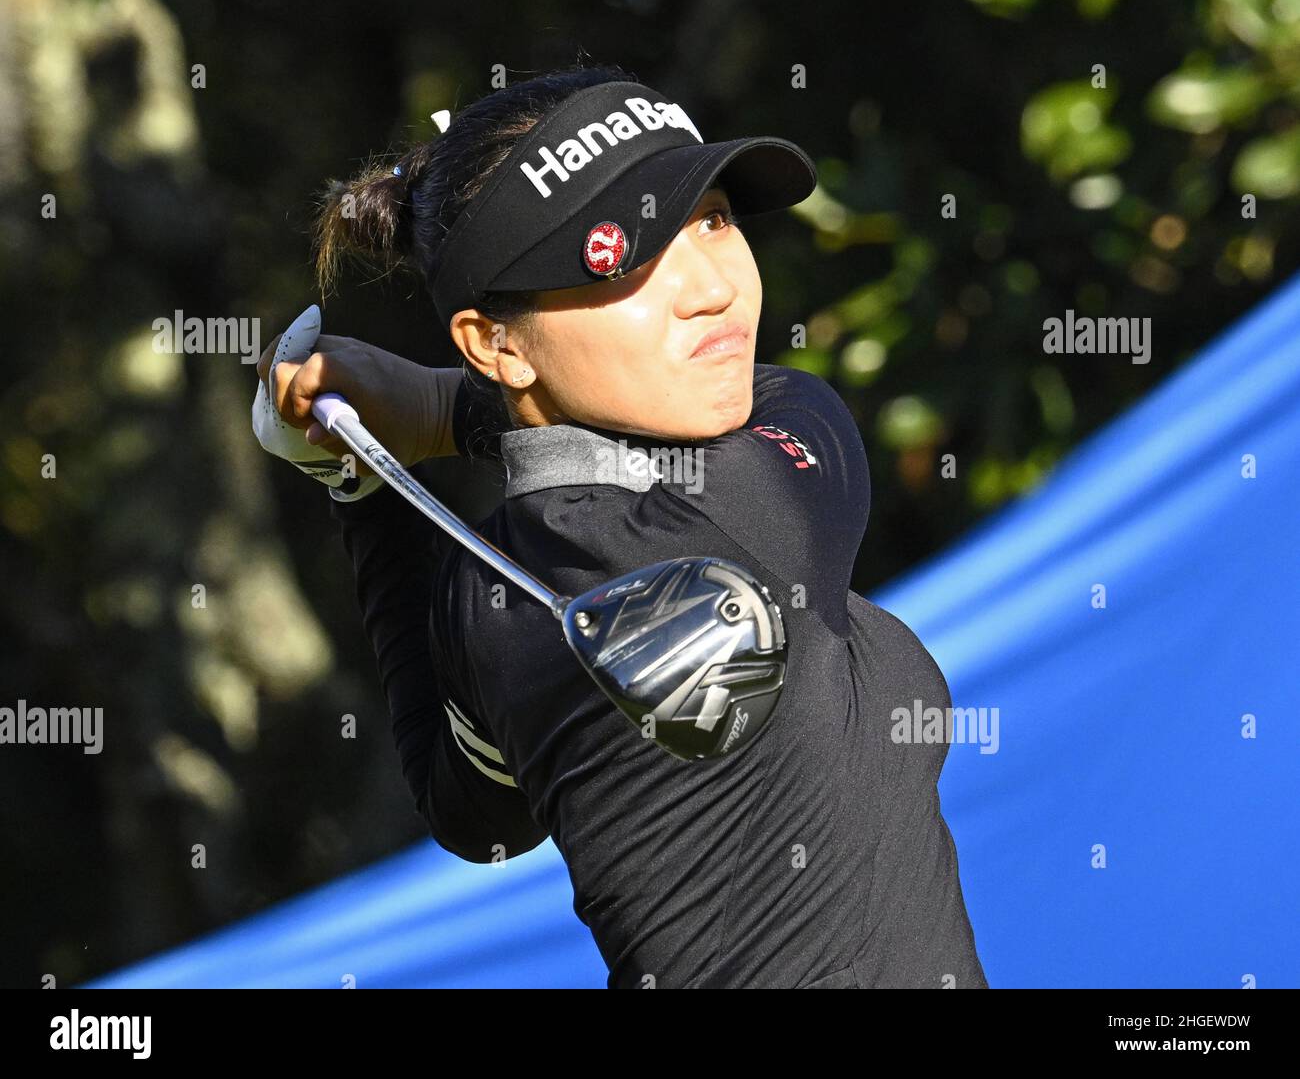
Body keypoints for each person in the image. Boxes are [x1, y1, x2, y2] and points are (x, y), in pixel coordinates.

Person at [253, 63, 988, 989]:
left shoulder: (495, 588)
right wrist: (439, 414)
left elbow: (473, 819)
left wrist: (360, 473)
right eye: (622, 256)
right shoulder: (743, 507)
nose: (711, 288)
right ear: (496, 345)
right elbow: (807, 408)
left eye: (712, 219)